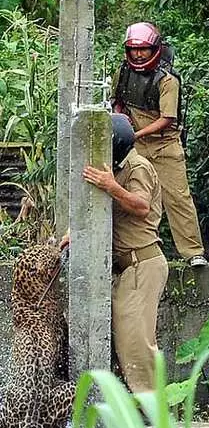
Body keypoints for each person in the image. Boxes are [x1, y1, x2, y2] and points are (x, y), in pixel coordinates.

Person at [61, 114, 168, 393]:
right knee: (122, 341)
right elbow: (105, 213)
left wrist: (112, 186)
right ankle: (136, 404)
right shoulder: (116, 168)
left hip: (142, 265)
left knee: (137, 343)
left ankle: (154, 411)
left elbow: (142, 206)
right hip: (125, 268)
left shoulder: (137, 166)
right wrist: (76, 234)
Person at [111, 21, 207, 267]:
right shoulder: (123, 72)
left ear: (155, 49)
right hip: (136, 143)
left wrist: (136, 134)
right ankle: (145, 251)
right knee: (141, 199)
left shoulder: (167, 80)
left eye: (143, 49)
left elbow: (167, 119)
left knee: (178, 198)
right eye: (133, 49)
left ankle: (193, 252)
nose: (138, 54)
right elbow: (117, 102)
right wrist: (121, 123)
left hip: (164, 145)